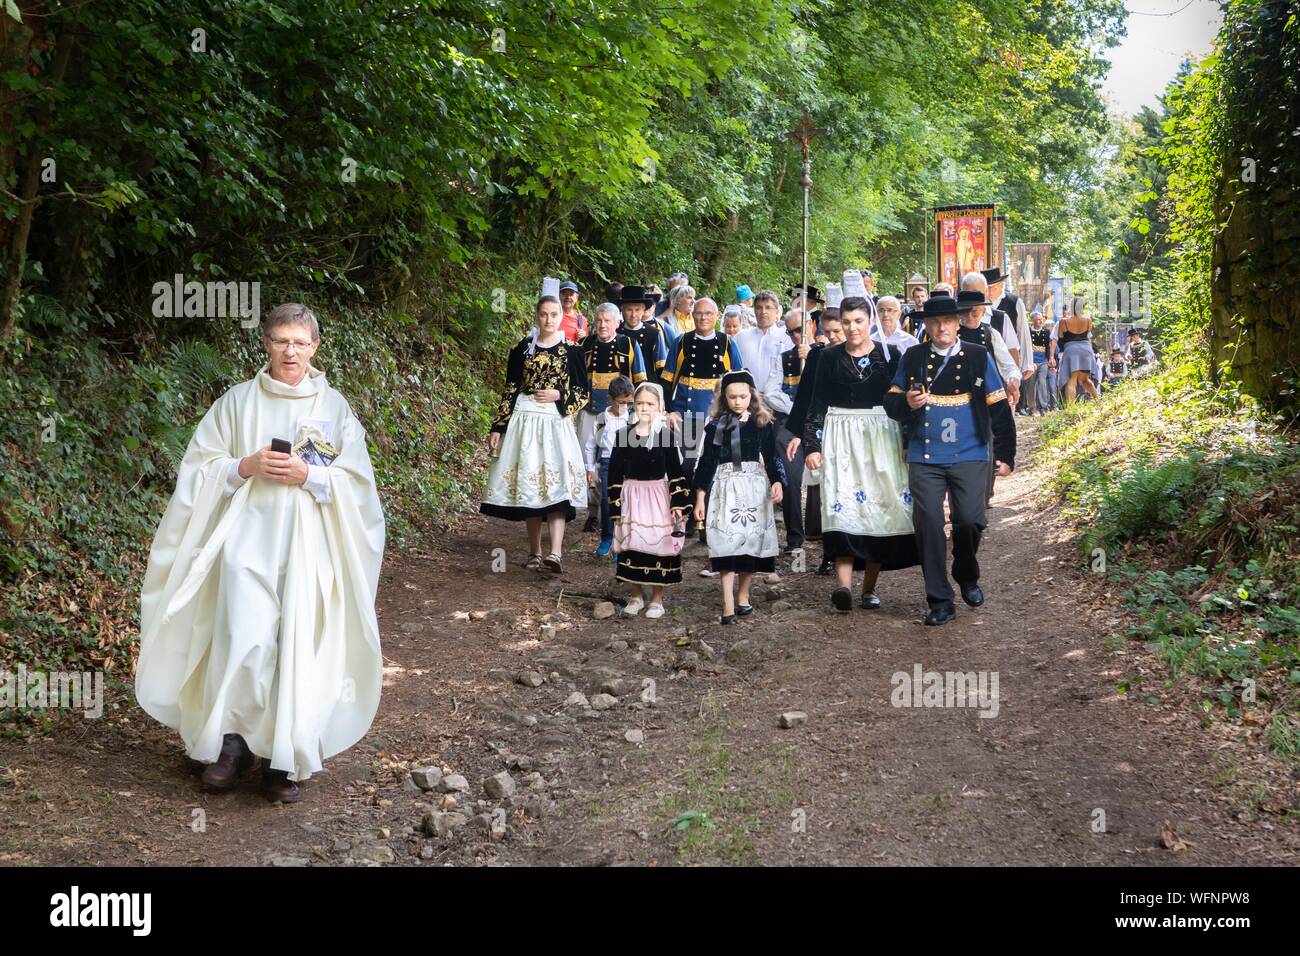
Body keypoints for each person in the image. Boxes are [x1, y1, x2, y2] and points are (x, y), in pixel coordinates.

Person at [136, 303, 385, 803]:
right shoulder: (236, 403)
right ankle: (231, 745)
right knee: (241, 635)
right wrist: (244, 466)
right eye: (281, 341)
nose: (290, 351)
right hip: (245, 540)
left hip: (308, 544)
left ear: (315, 347)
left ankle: (282, 757)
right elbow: (200, 468)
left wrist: (309, 475)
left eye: (300, 342)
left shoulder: (334, 409)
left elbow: (358, 484)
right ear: (266, 344)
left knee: (296, 641)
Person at [884, 294, 1016, 626]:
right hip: (924, 456)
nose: (941, 327)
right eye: (934, 322)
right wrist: (908, 405)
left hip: (971, 454)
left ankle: (965, 571)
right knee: (928, 525)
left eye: (947, 321)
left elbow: (998, 407)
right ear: (925, 325)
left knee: (970, 521)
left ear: (958, 323)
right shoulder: (912, 357)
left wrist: (1005, 454)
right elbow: (890, 402)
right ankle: (940, 600)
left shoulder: (977, 355)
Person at [802, 297, 919, 612]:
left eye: (858, 321)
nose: (852, 328)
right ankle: (842, 588)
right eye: (847, 322)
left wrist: (908, 443)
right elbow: (816, 404)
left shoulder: (890, 355)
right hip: (840, 436)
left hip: (882, 437)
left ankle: (868, 590)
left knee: (878, 511)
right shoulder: (827, 358)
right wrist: (811, 446)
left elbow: (902, 404)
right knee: (842, 508)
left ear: (870, 322)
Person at [480, 296, 589, 573]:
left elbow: (582, 392)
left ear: (560, 316)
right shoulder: (521, 350)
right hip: (524, 421)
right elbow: (510, 389)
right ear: (537, 315)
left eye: (554, 314)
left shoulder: (572, 351)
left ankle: (556, 553)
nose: (548, 320)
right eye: (543, 314)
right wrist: (498, 426)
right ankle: (534, 552)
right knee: (530, 484)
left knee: (556, 486)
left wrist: (559, 394)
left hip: (556, 421)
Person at [692, 370, 786, 624]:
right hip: (726, 488)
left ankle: (743, 595)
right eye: (732, 397)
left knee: (751, 542)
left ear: (751, 395)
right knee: (725, 542)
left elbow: (773, 455)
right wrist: (700, 497)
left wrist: (778, 481)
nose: (738, 402)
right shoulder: (715, 427)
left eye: (743, 396)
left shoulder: (761, 423)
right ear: (724, 397)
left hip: (755, 488)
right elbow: (706, 463)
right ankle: (727, 602)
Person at [607, 382, 691, 619]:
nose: (644, 407)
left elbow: (675, 471)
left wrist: (678, 503)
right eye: (640, 403)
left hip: (657, 496)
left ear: (659, 407)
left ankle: (656, 598)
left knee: (657, 543)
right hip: (632, 495)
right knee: (633, 541)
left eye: (650, 404)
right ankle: (635, 594)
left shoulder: (666, 436)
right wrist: (615, 505)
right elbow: (614, 473)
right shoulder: (624, 435)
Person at [663, 296, 743, 517]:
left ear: (716, 316)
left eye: (708, 313)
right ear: (692, 315)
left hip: (719, 415)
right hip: (688, 414)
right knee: (688, 465)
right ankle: (687, 514)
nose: (703, 317)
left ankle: (712, 517)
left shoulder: (728, 343)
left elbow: (738, 379)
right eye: (699, 313)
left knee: (716, 465)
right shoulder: (682, 342)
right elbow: (668, 380)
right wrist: (670, 409)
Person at [737, 290, 804, 552]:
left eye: (769, 307)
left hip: (781, 410)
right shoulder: (743, 337)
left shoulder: (786, 339)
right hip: (749, 404)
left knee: (786, 469)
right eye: (759, 306)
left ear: (777, 311)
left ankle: (794, 535)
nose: (763, 311)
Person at [578, 302, 646, 531]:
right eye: (598, 320)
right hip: (590, 410)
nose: (602, 325)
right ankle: (594, 512)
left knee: (617, 459)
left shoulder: (628, 344)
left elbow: (640, 379)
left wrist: (637, 411)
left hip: (621, 413)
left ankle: (621, 511)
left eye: (607, 321)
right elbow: (577, 377)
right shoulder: (586, 344)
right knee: (588, 460)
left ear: (617, 322)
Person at [786, 309, 844, 575]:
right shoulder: (818, 355)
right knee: (827, 491)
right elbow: (806, 397)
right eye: (828, 332)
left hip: (856, 431)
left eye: (837, 332)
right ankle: (830, 553)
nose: (832, 337)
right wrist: (799, 434)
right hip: (824, 429)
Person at [584, 375, 635, 556]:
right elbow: (590, 444)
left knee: (628, 501)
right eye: (620, 403)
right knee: (607, 501)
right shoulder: (601, 419)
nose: (624, 408)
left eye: (628, 404)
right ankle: (607, 538)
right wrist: (589, 467)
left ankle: (624, 540)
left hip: (629, 464)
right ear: (610, 399)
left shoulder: (632, 419)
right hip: (607, 462)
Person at [617, 285, 668, 384]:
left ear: (643, 310)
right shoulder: (617, 333)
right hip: (621, 389)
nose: (633, 315)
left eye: (637, 310)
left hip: (648, 387)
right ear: (622, 310)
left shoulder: (654, 333)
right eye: (629, 310)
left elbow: (661, 368)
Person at [1058, 295, 1100, 403]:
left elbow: (1060, 338)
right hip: (1086, 350)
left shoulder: (1064, 321)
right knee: (1084, 380)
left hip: (1071, 350)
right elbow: (1088, 335)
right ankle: (1098, 401)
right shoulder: (1088, 320)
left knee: (1071, 380)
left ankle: (1071, 408)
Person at [871, 295, 920, 379]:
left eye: (890, 310)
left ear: (899, 314)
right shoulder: (870, 340)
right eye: (881, 310)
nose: (885, 314)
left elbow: (917, 371)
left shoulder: (911, 342)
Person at [1028, 308, 1055, 414]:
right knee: (1031, 383)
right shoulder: (1029, 331)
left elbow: (1048, 347)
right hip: (1032, 360)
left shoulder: (1046, 332)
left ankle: (1043, 406)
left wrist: (1050, 359)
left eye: (1041, 319)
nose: (1040, 321)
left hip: (1043, 360)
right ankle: (1031, 406)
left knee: (1042, 382)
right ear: (1033, 320)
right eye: (1037, 319)